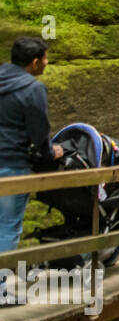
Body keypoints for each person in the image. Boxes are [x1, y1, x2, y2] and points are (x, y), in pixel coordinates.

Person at [0, 37, 63, 265]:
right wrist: (49, 153)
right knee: (7, 227)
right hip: (11, 166)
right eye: (45, 58)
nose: (47, 62)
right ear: (35, 62)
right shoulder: (32, 88)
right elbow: (39, 132)